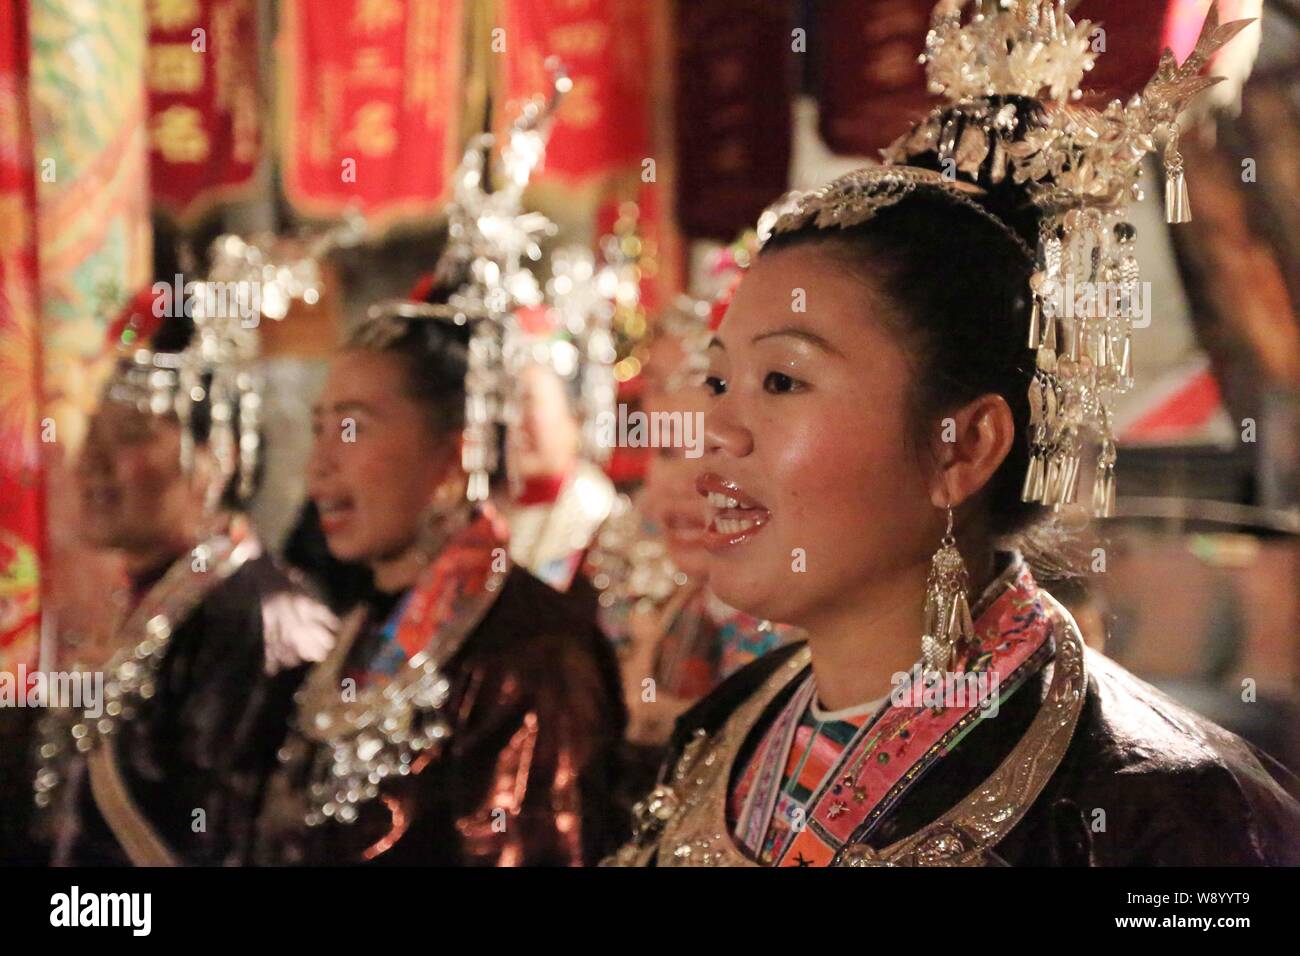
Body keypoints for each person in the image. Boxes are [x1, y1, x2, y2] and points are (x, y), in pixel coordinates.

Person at [610, 1, 1300, 867]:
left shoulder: (1164, 815)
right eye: (718, 381)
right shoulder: (725, 731)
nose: (715, 432)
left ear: (962, 447)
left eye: (781, 380)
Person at [256, 306, 626, 866]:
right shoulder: (365, 623)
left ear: (456, 456)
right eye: (319, 430)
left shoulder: (532, 654)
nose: (318, 469)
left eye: (352, 428)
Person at [31, 289, 334, 866]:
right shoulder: (155, 600)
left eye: (130, 435)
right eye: (92, 432)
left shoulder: (268, 618)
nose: (92, 460)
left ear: (216, 454)